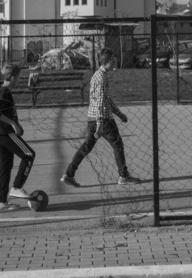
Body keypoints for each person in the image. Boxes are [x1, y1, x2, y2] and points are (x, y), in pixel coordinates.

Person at [61, 48, 142, 187]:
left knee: (86, 146)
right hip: (102, 119)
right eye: (114, 60)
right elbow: (99, 101)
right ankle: (123, 176)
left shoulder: (98, 75)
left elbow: (106, 99)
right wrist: (99, 124)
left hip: (93, 117)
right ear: (108, 61)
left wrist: (119, 114)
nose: (116, 62)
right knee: (118, 145)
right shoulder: (101, 78)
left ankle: (69, 174)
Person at [0, 62, 36, 212]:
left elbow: (6, 111)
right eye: (19, 78)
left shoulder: (5, 91)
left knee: (5, 167)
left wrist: (17, 124)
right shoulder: (4, 91)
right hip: (5, 133)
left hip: (1, 133)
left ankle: (1, 202)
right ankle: (17, 187)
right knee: (29, 154)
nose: (19, 81)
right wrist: (13, 125)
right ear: (14, 77)